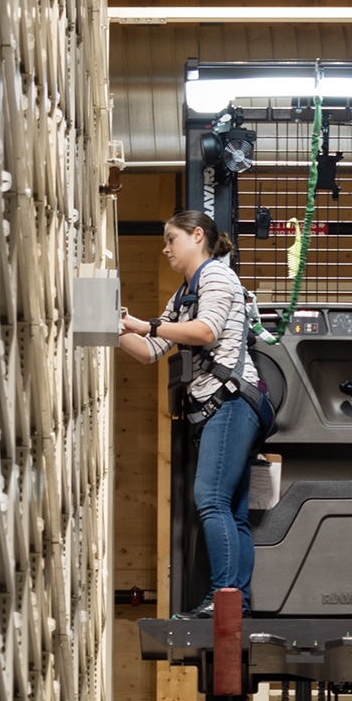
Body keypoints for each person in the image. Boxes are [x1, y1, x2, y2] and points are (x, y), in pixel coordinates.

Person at [119, 212, 272, 609]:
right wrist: (117, 329)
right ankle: (235, 601)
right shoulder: (184, 292)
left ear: (197, 235)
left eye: (172, 239)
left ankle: (224, 599)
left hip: (233, 398)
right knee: (232, 511)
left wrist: (146, 325)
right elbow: (150, 351)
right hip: (221, 405)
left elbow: (206, 332)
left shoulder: (217, 277)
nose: (166, 248)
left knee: (210, 498)